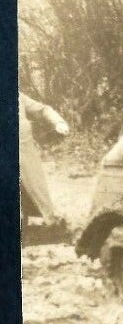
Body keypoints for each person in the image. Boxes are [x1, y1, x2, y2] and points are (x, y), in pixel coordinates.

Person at [19, 91, 70, 232]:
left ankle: (48, 223)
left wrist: (58, 122)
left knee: (36, 191)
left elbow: (43, 109)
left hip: (26, 155)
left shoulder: (17, 97)